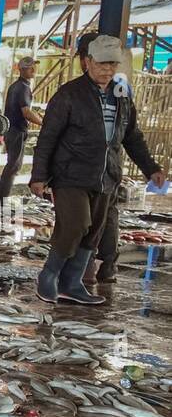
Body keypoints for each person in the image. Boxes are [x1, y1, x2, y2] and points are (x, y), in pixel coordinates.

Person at [29, 34, 164, 304]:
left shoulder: (121, 94)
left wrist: (151, 168)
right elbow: (48, 137)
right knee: (75, 224)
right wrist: (39, 176)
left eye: (112, 64)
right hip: (70, 174)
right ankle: (48, 275)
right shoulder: (69, 94)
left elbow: (131, 136)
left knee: (94, 231)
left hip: (106, 175)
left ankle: (72, 283)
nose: (107, 70)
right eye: (102, 63)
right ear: (87, 62)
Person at [0, 56, 42, 201]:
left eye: (34, 66)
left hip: (12, 129)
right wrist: (44, 123)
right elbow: (26, 112)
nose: (33, 69)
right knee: (14, 165)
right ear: (22, 70)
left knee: (13, 164)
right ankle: (2, 199)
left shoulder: (17, 86)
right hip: (16, 129)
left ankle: (2, 197)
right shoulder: (22, 87)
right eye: (30, 67)